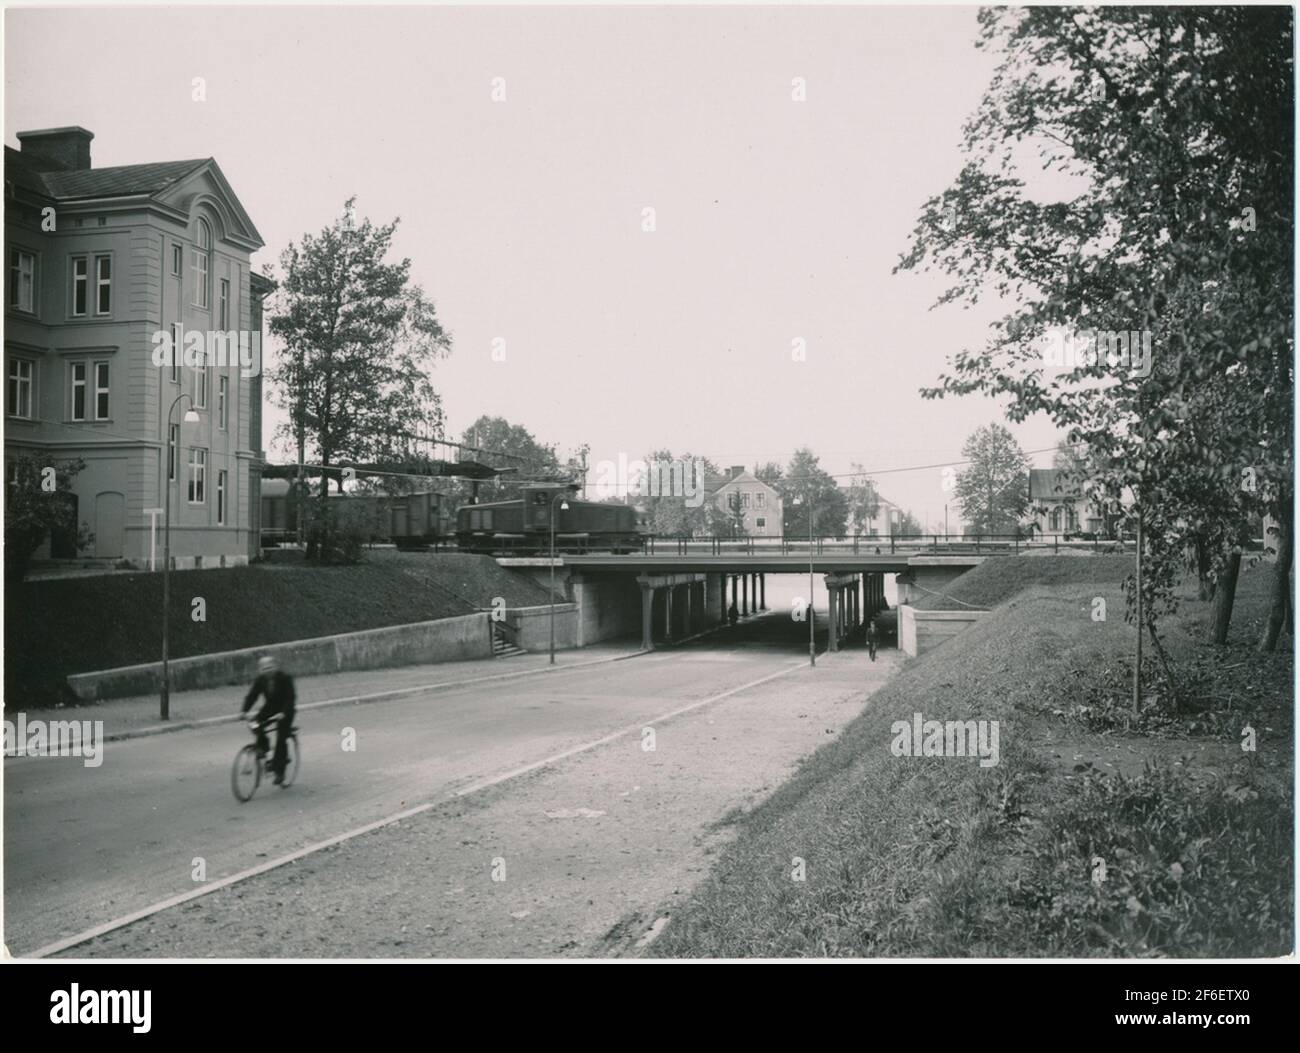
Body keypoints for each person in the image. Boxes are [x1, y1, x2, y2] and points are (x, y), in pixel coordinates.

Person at [242, 655, 296, 785]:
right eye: (264, 668)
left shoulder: (285, 678)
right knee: (254, 724)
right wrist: (244, 711)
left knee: (281, 738)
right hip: (270, 708)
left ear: (275, 667)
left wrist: (283, 713)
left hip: (285, 710)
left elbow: (290, 698)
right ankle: (264, 747)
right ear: (260, 670)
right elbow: (252, 696)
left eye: (270, 667)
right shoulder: (260, 680)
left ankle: (280, 771)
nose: (268, 670)